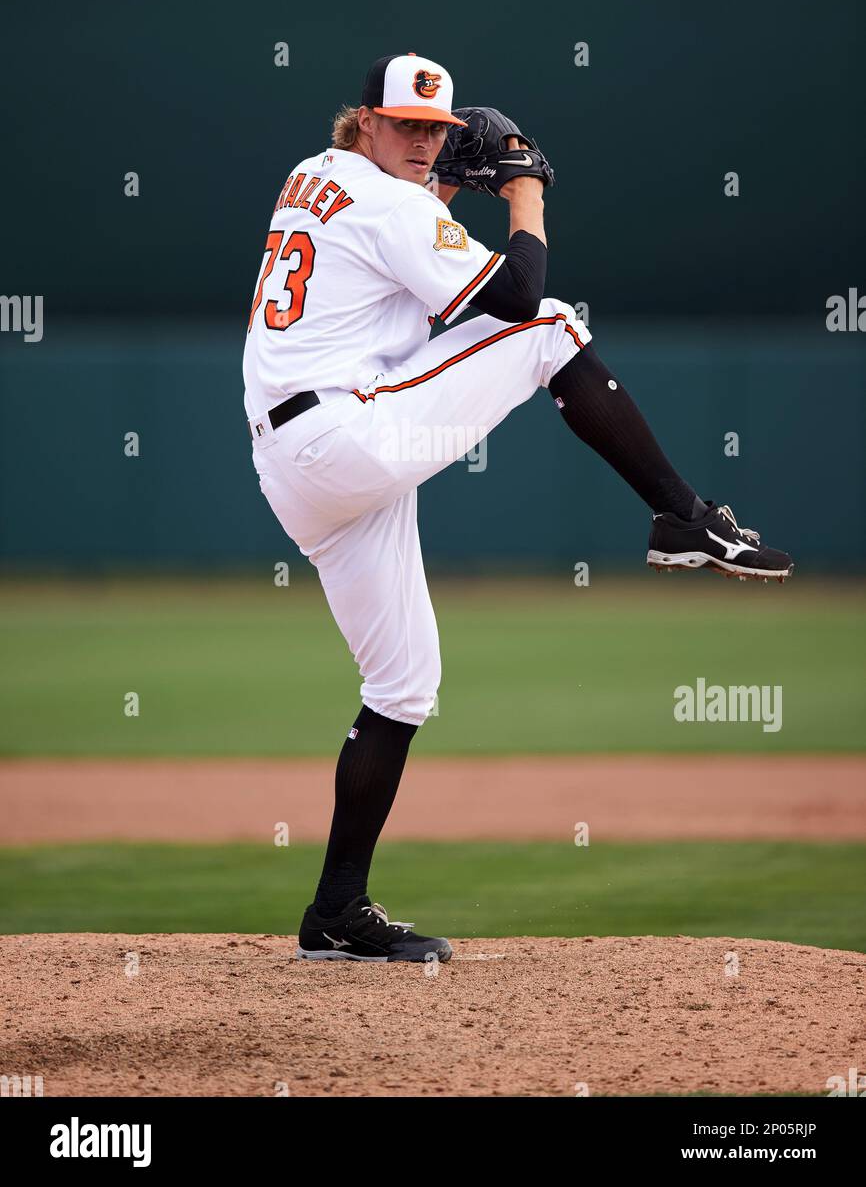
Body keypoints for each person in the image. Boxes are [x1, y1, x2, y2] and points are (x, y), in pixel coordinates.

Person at [242, 52, 792, 963]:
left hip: (303, 461)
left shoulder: (316, 176)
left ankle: (335, 911)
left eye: (437, 132)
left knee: (403, 686)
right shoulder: (391, 203)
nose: (423, 143)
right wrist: (526, 190)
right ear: (365, 122)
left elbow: (389, 271)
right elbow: (518, 291)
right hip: (343, 432)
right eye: (405, 125)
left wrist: (444, 198)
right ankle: (683, 514)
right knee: (550, 326)